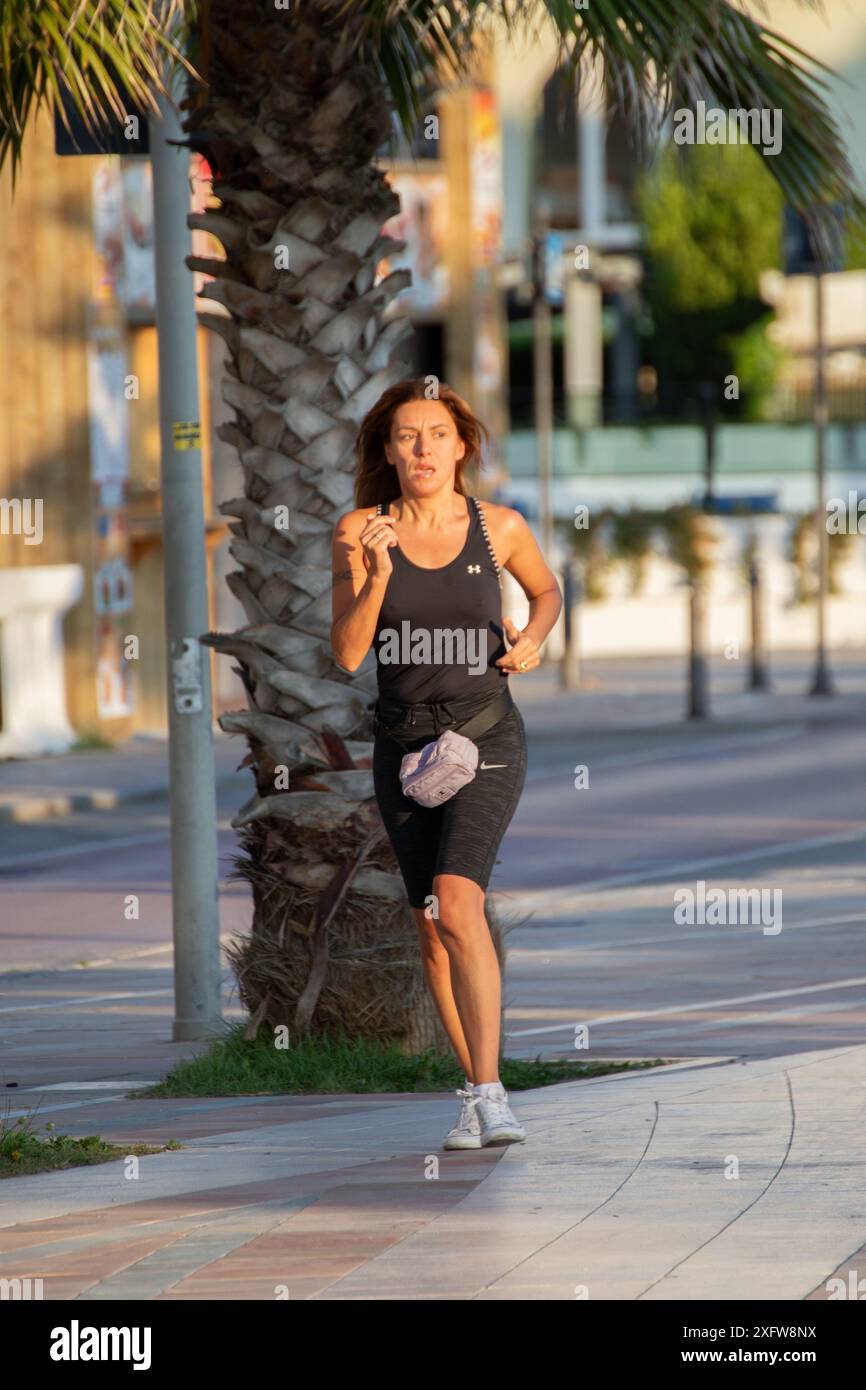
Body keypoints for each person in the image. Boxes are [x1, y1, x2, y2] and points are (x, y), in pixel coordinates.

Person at [330, 378, 561, 1150]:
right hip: (404, 747)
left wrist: (533, 635)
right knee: (430, 927)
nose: (422, 448)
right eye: (406, 436)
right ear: (387, 451)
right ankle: (475, 1087)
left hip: (486, 734)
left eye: (436, 434)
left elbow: (548, 590)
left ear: (462, 447)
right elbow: (348, 651)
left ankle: (493, 1096)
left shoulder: (498, 528)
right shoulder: (361, 531)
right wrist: (381, 575)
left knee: (458, 903)